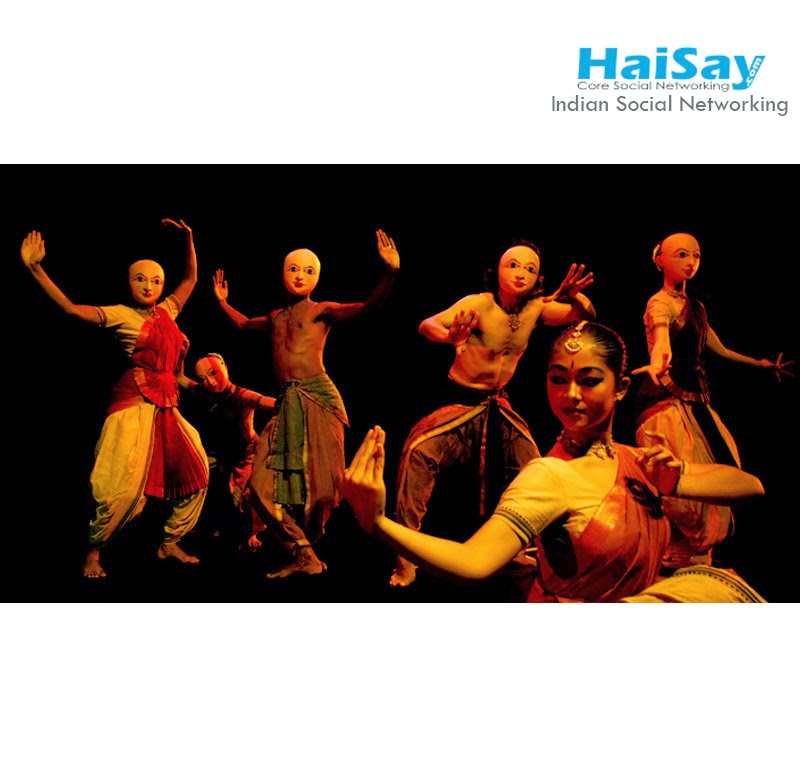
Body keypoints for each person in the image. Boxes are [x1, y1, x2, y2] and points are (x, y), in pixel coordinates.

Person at [342, 321, 767, 603]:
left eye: (589, 380)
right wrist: (378, 525)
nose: (570, 395)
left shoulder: (639, 461)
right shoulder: (549, 475)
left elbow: (751, 486)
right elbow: (474, 561)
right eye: (558, 379)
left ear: (620, 388)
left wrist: (677, 480)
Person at [389, 239, 596, 588]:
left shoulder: (536, 309)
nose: (520, 273)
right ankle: (405, 559)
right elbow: (427, 325)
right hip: (460, 402)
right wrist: (451, 337)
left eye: (529, 269)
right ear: (497, 271)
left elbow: (585, 317)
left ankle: (527, 551)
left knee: (535, 468)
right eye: (513, 265)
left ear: (539, 279)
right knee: (418, 454)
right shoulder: (479, 303)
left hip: (498, 404)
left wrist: (574, 297)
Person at [20, 219, 210, 579]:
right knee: (124, 490)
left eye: (156, 280)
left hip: (166, 406)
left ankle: (169, 542)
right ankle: (93, 551)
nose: (149, 286)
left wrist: (189, 238)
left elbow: (190, 279)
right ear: (129, 282)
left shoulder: (168, 311)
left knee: (198, 473)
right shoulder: (121, 315)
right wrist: (35, 268)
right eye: (140, 279)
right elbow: (71, 309)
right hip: (133, 403)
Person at [213, 229, 400, 578]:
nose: (300, 276)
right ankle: (302, 552)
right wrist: (223, 302)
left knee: (325, 487)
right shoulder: (275, 317)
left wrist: (389, 273)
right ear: (283, 273)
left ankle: (305, 552)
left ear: (317, 278)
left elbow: (366, 309)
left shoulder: (321, 311)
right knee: (260, 485)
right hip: (287, 402)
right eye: (294, 269)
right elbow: (243, 324)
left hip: (318, 396)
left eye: (308, 271)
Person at [631, 232, 793, 571]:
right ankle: (673, 557)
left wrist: (760, 365)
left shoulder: (697, 309)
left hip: (696, 403)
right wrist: (658, 363)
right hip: (666, 400)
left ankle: (698, 558)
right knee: (678, 481)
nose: (690, 262)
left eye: (696, 255)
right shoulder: (659, 303)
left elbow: (718, 349)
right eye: (681, 255)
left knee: (718, 471)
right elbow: (662, 341)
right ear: (660, 259)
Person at [176, 348, 276, 549]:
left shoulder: (242, 396)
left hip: (248, 454)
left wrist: (294, 400)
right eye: (203, 379)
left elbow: (269, 402)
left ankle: (252, 532)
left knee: (248, 493)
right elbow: (179, 377)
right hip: (223, 454)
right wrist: (182, 354)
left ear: (225, 368)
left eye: (214, 373)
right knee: (203, 482)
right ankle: (210, 526)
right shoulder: (206, 394)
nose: (211, 382)